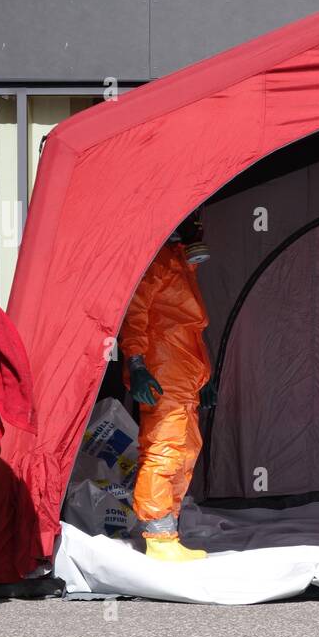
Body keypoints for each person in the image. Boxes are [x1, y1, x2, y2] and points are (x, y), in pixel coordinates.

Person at [121, 216, 212, 562]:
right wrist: (138, 364)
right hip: (164, 369)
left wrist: (206, 377)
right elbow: (136, 313)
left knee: (185, 449)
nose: (199, 226)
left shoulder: (180, 264)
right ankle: (158, 535)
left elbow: (189, 328)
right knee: (165, 448)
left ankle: (167, 531)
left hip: (183, 372)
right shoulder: (158, 263)